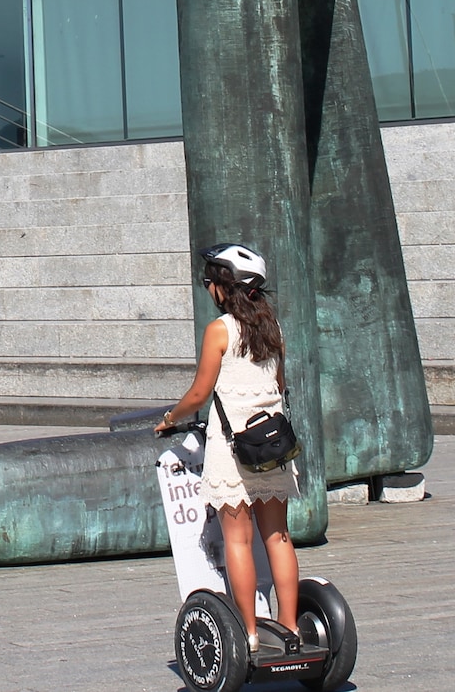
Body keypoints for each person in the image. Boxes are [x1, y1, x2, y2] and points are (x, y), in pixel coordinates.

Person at [154, 243, 301, 653]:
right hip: (272, 442)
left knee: (237, 541)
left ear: (225, 286)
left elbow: (200, 393)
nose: (207, 288)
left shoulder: (220, 330)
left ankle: (250, 634)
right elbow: (280, 386)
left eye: (210, 281)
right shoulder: (273, 328)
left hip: (233, 447)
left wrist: (170, 418)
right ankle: (289, 629)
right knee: (278, 536)